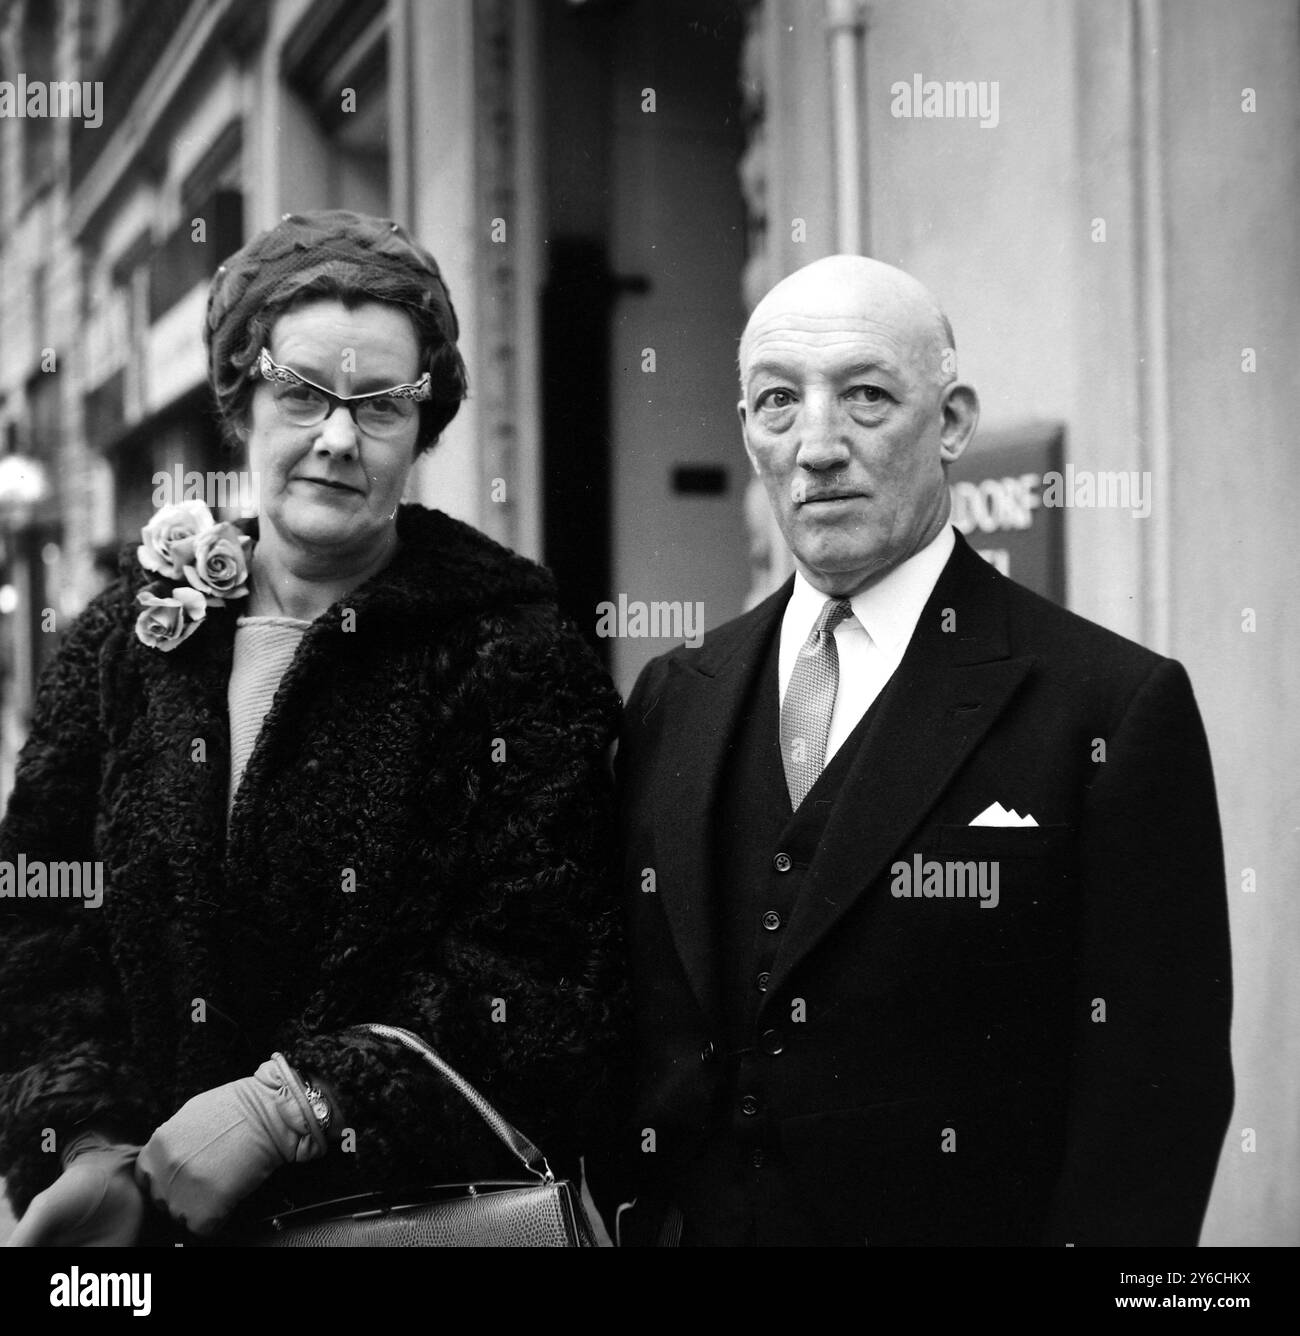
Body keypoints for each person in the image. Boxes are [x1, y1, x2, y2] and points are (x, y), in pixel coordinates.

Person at [0, 209, 625, 1244]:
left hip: (393, 1229)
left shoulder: (511, 654)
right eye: (303, 393)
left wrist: (300, 1104)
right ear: (242, 402)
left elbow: (549, 981)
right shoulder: (128, 641)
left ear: (423, 427)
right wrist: (82, 1138)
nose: (338, 435)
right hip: (141, 1236)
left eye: (380, 403)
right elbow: (36, 928)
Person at [609, 254, 1233, 1246]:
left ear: (948, 423)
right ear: (746, 434)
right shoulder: (670, 698)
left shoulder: (1109, 708)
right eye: (778, 401)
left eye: (864, 396)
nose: (817, 445)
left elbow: (1154, 1102)